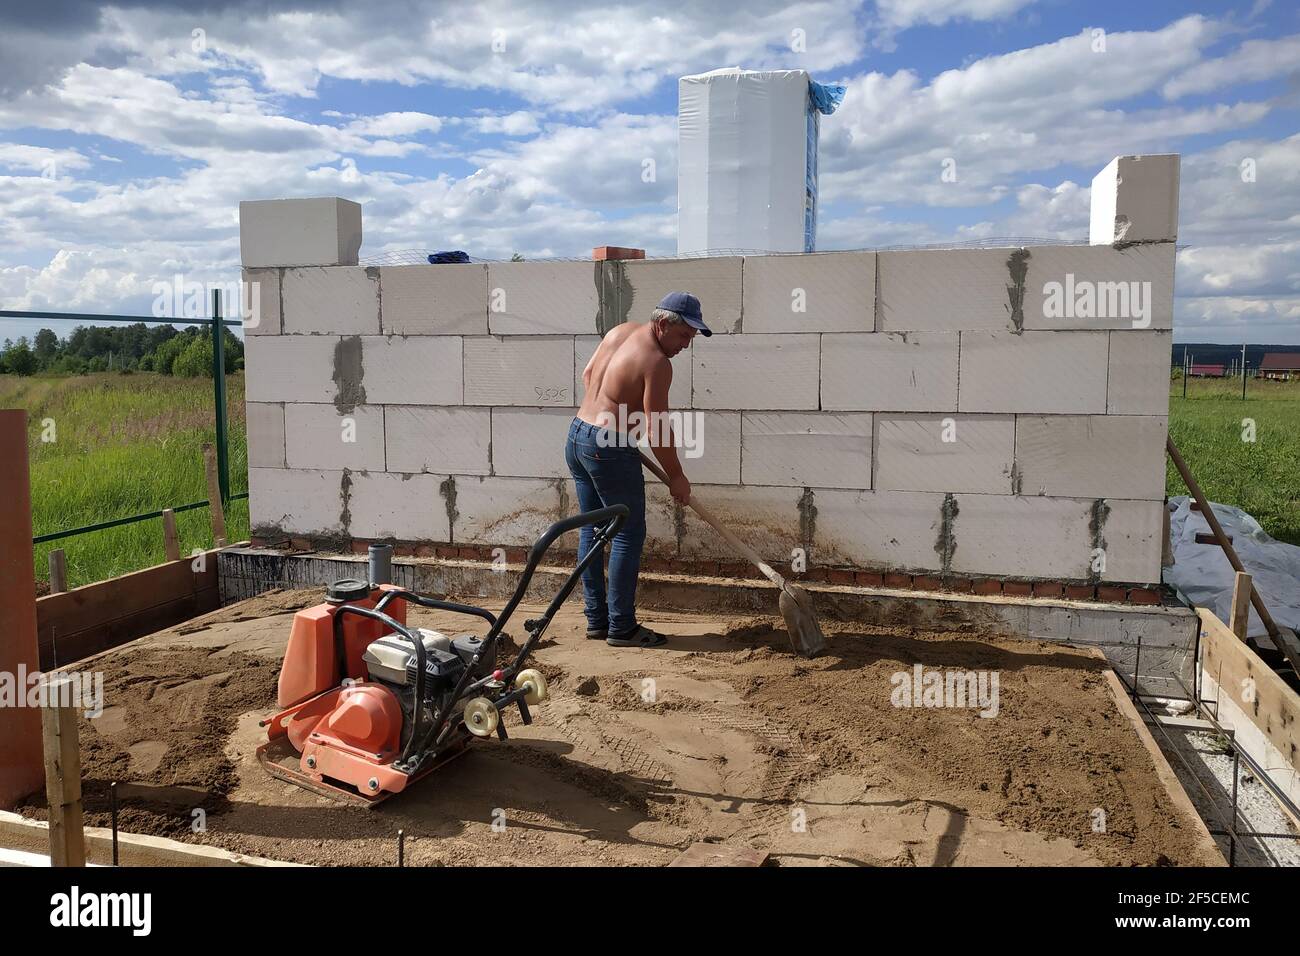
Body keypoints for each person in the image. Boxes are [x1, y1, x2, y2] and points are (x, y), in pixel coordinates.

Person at [565, 291, 711, 648]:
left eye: (691, 338)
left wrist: (607, 416)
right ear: (662, 325)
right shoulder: (657, 363)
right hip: (608, 449)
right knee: (628, 534)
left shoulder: (619, 331)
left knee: (594, 529)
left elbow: (588, 376)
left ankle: (597, 621)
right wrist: (676, 475)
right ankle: (622, 627)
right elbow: (657, 428)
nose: (686, 346)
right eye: (683, 336)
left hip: (578, 435)